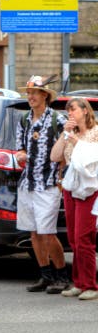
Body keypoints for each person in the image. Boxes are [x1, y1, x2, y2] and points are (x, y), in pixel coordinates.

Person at [15, 75, 68, 293]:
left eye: (34, 93)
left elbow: (68, 151)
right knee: (34, 233)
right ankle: (45, 275)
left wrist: (61, 178)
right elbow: (20, 148)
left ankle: (62, 276)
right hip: (28, 183)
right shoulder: (23, 120)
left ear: (44, 95)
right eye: (28, 93)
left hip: (48, 184)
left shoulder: (58, 120)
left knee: (48, 232)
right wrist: (20, 155)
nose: (30, 97)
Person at [51, 97, 98, 300]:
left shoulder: (95, 132)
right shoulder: (70, 133)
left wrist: (77, 142)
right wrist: (65, 134)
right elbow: (54, 157)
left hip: (89, 187)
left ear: (85, 111)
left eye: (73, 109)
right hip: (71, 186)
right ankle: (79, 282)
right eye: (68, 110)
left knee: (83, 237)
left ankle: (91, 285)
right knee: (73, 238)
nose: (70, 113)